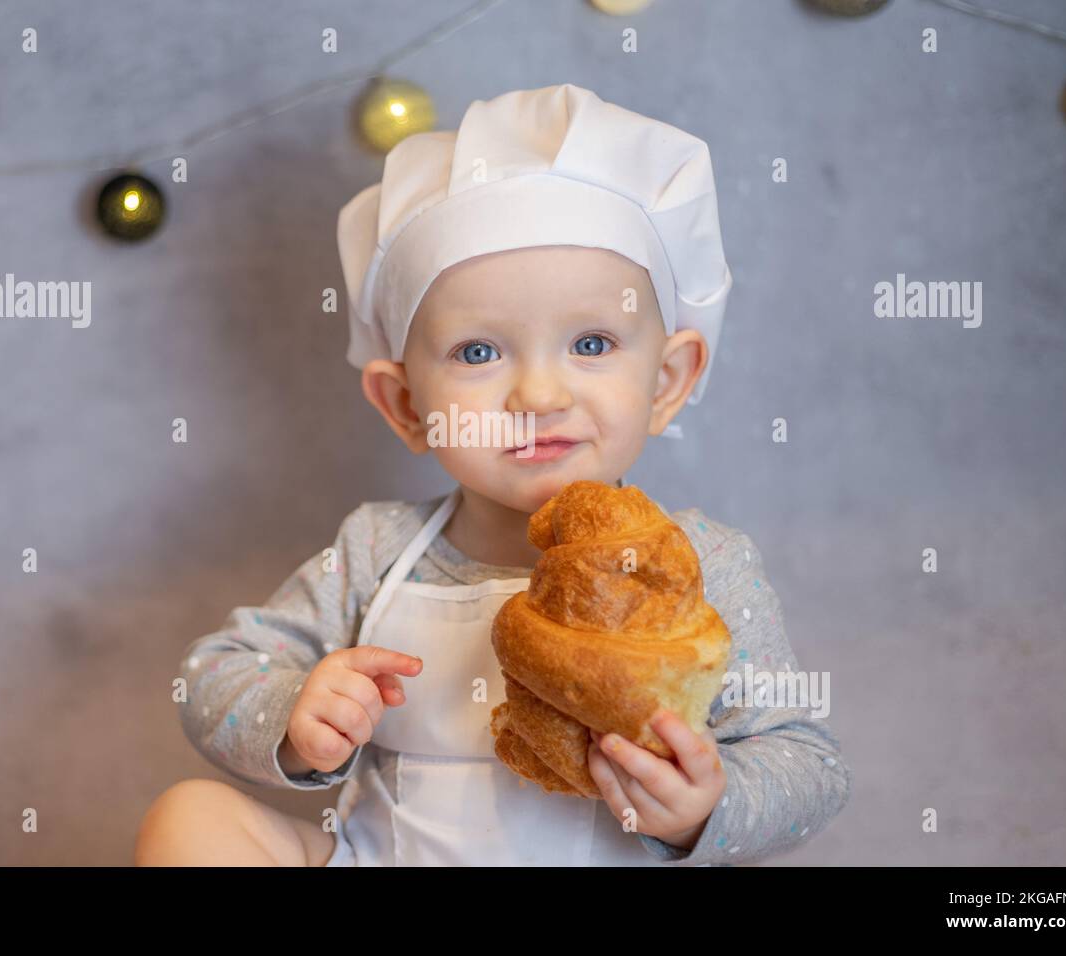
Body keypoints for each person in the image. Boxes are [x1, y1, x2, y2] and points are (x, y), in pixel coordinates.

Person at [135, 83, 851, 866]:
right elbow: (213, 674)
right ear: (406, 403)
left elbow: (806, 763)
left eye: (591, 343)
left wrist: (704, 808)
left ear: (669, 379)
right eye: (478, 353)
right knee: (193, 819)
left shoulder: (701, 568)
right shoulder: (374, 554)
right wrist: (294, 713)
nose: (539, 396)